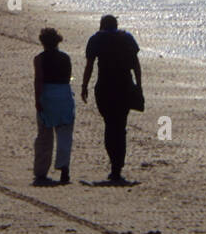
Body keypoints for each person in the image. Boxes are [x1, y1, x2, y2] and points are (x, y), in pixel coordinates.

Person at [81, 15, 142, 184]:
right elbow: (136, 64)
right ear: (116, 25)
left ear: (101, 26)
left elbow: (90, 65)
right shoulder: (127, 38)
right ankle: (117, 167)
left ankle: (114, 164)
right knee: (120, 126)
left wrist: (84, 86)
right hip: (124, 86)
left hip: (105, 87)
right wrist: (139, 86)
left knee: (109, 125)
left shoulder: (96, 39)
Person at [32, 28, 75, 186]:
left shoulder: (39, 59)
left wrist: (37, 99)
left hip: (48, 95)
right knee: (64, 134)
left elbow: (38, 80)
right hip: (63, 95)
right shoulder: (65, 58)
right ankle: (64, 167)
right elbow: (67, 77)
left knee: (44, 136)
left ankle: (41, 170)